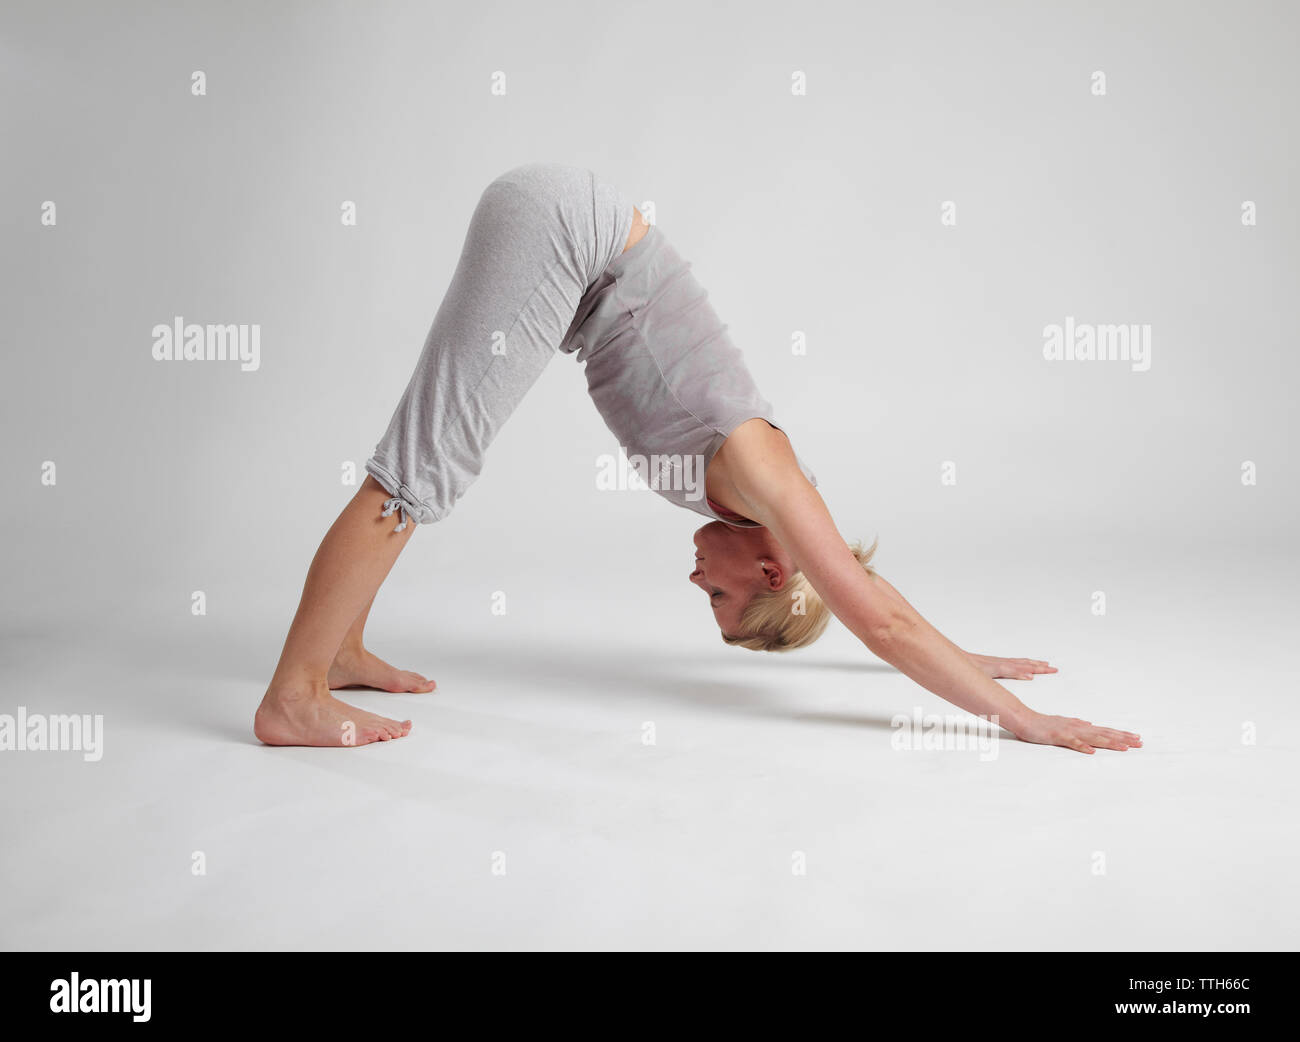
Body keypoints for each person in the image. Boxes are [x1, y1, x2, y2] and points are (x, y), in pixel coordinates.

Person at [254, 162, 1142, 756]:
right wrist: (1022, 723)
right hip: (570, 234)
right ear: (765, 568)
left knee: (429, 468)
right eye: (719, 597)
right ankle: (293, 696)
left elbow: (862, 591)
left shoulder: (776, 516)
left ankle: (340, 650)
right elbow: (879, 620)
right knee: (418, 475)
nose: (695, 587)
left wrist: (971, 657)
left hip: (570, 249)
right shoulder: (763, 475)